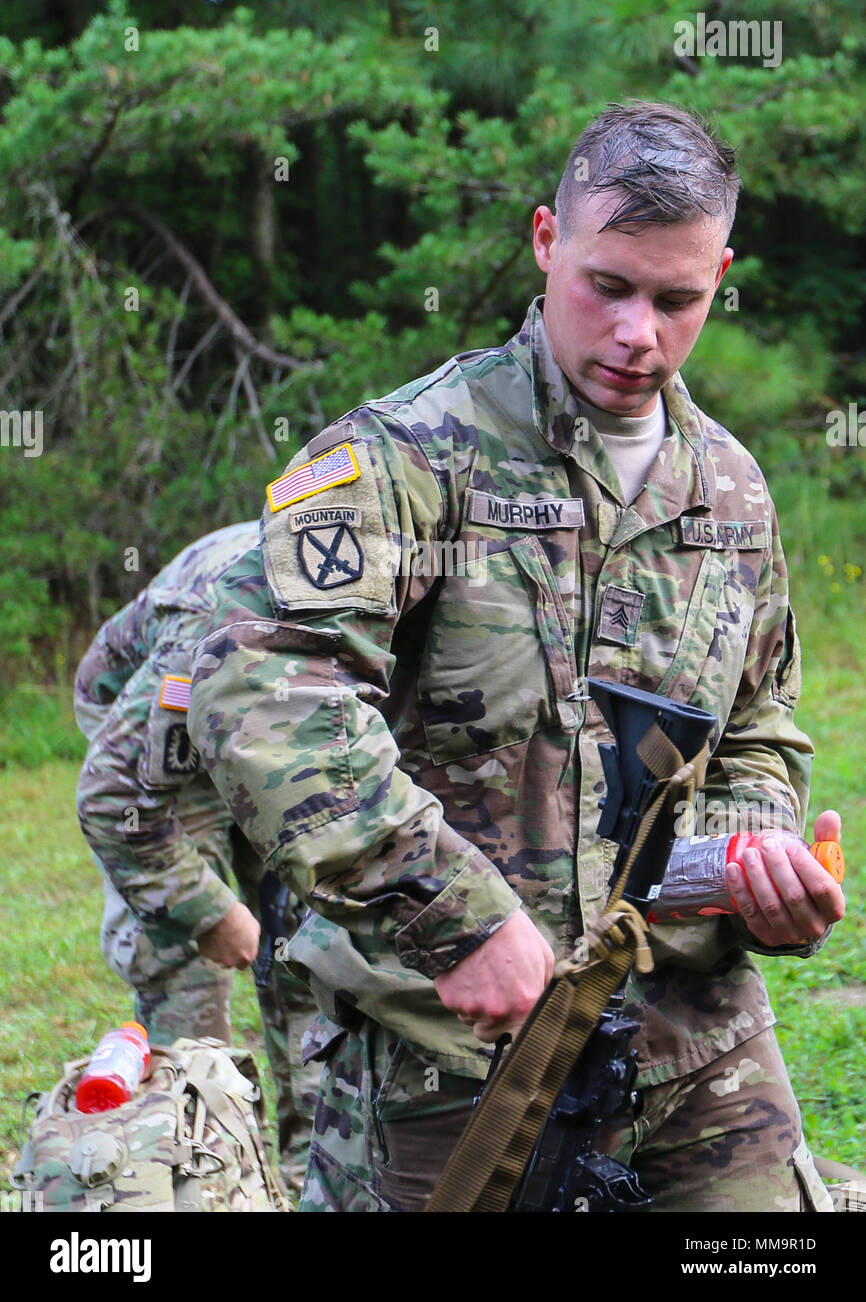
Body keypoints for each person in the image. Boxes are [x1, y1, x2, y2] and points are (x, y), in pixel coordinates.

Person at [187, 102, 845, 1213]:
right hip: (446, 1046)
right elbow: (261, 689)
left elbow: (756, 729)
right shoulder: (402, 458)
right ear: (545, 240)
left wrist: (757, 860)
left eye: (676, 299)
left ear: (719, 275)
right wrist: (455, 913)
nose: (637, 331)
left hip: (694, 1041)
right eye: (607, 286)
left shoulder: (728, 489)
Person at [74, 521, 319, 1188]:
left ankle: (307, 1177)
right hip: (153, 743)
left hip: (266, 733)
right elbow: (115, 800)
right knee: (190, 969)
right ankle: (199, 1176)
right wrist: (210, 911)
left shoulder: (382, 589)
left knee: (310, 946)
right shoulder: (221, 621)